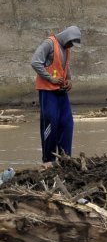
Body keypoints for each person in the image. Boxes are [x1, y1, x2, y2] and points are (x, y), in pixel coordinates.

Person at [31, 26, 80, 168]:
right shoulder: (49, 43)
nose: (71, 46)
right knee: (50, 123)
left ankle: (65, 157)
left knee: (67, 123)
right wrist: (49, 78)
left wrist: (69, 79)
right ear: (67, 37)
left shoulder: (66, 48)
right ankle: (48, 160)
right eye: (71, 42)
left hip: (61, 91)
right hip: (48, 91)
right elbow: (35, 62)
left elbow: (65, 65)